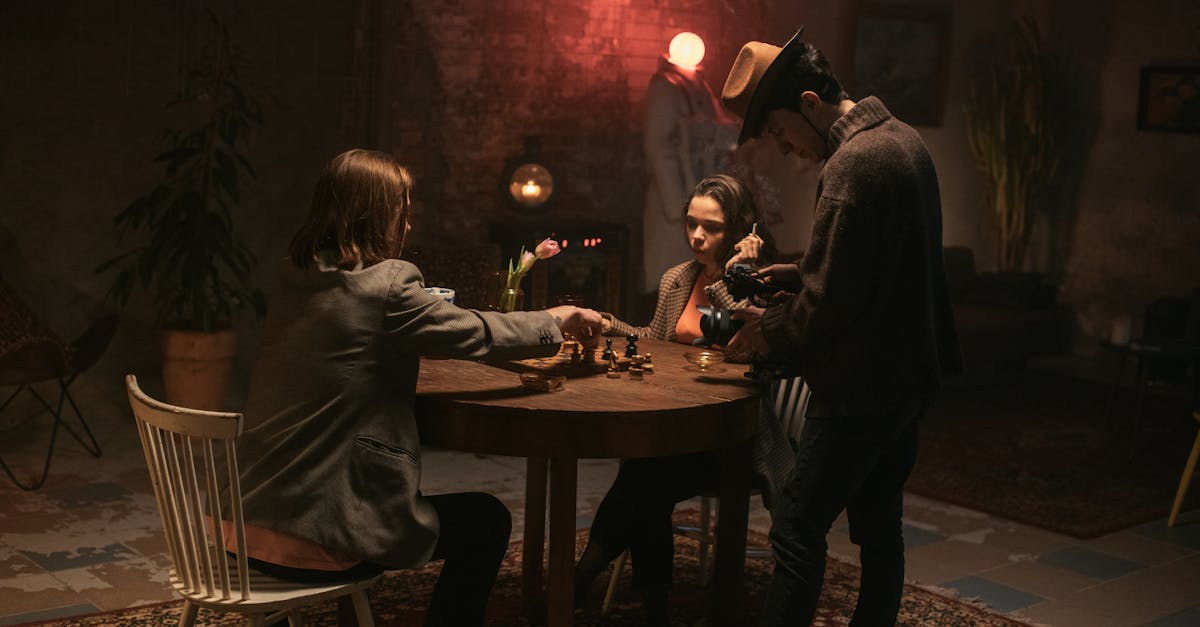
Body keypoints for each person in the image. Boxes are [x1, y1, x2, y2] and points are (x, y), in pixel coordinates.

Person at [230, 149, 603, 627]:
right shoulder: (386, 287)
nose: (406, 229)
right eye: (401, 214)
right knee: (487, 520)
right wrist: (555, 319)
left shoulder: (294, 275)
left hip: (240, 523)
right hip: (318, 532)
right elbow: (479, 334)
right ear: (373, 217)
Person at [719, 28, 962, 626]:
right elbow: (868, 263)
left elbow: (830, 304)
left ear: (809, 103)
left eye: (779, 131)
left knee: (797, 527)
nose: (784, 147)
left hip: (861, 387)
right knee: (881, 527)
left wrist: (763, 330)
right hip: (908, 376)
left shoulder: (851, 165)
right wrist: (791, 271)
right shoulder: (903, 140)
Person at [574, 174, 794, 625]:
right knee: (647, 474)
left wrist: (734, 272)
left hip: (734, 436)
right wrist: (610, 324)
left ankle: (583, 580)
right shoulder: (677, 279)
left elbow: (740, 333)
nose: (696, 235)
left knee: (645, 473)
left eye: (710, 227)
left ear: (738, 231)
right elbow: (654, 341)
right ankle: (655, 608)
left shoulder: (761, 285)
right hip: (679, 429)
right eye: (691, 223)